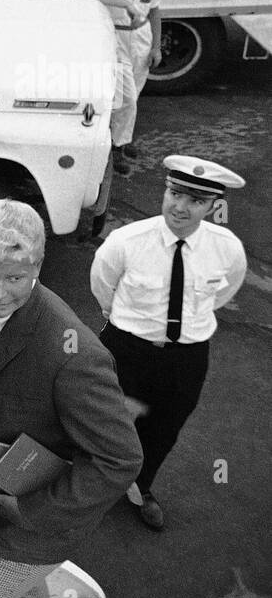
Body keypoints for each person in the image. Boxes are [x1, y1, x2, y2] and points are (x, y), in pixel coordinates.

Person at [0, 199, 142, 598]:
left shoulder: (75, 356)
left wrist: (31, 510)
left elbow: (120, 460)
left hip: (31, 525)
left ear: (38, 266)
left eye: (15, 278)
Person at [90, 155, 246, 531]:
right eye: (175, 194)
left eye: (196, 200)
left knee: (164, 427)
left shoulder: (227, 248)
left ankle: (140, 486)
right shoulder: (126, 241)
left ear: (213, 206)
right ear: (165, 191)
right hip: (127, 349)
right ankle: (89, 489)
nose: (180, 207)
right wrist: (128, 323)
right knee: (104, 423)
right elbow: (103, 288)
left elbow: (222, 293)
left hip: (187, 358)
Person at [87, 0, 163, 177]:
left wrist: (156, 47)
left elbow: (155, 12)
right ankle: (117, 147)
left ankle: (121, 137)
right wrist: (125, 3)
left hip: (141, 38)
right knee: (126, 97)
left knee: (134, 94)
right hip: (117, 39)